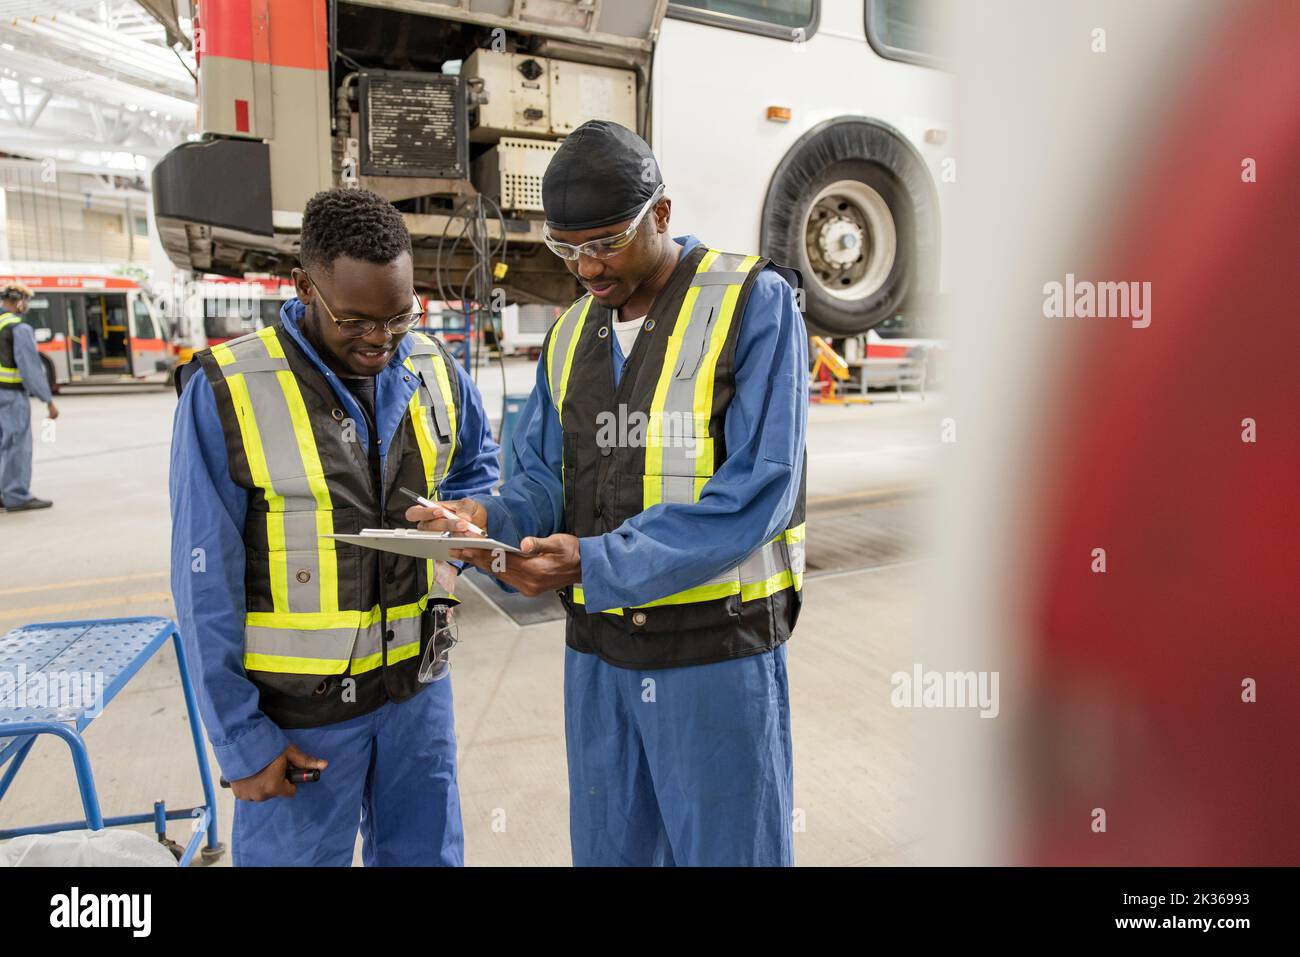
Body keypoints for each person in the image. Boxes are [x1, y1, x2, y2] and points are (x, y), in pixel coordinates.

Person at [411, 120, 809, 866]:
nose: (587, 267)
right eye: (567, 249)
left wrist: (597, 561)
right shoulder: (568, 337)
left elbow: (761, 490)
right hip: (598, 659)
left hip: (713, 655)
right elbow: (542, 477)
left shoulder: (752, 304)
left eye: (605, 242)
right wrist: (489, 519)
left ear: (660, 213)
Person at [170, 188, 500, 866]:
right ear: (304, 288)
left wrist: (469, 521)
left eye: (398, 317)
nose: (380, 339)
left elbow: (478, 470)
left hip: (419, 696)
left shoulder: (436, 368)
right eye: (355, 320)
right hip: (300, 721)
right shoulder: (228, 390)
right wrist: (240, 739)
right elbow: (204, 582)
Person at [0, 282, 58, 511]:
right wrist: (48, 400)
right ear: (20, 302)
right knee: (16, 445)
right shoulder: (18, 328)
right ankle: (16, 494)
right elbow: (30, 369)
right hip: (12, 397)